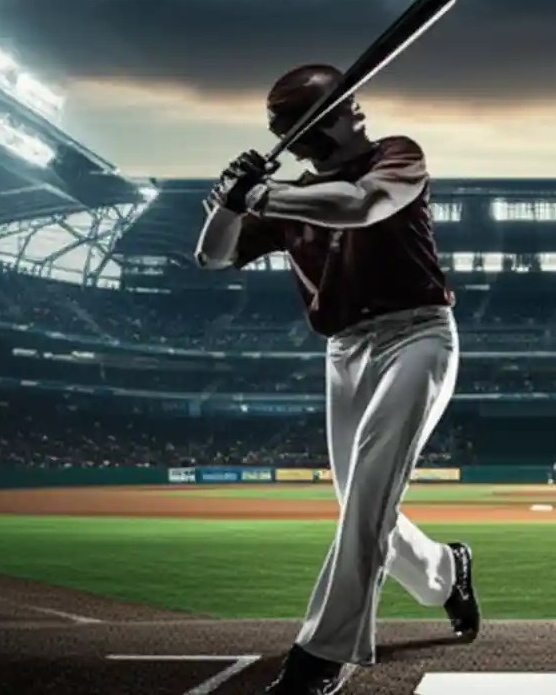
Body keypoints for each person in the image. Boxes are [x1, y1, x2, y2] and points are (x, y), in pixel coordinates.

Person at [194, 63, 480, 695]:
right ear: (316, 129)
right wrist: (227, 201)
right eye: (343, 103)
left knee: (369, 497)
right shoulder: (289, 197)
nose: (359, 107)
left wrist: (261, 196)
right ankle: (444, 571)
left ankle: (320, 656)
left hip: (418, 335)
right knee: (363, 508)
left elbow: (362, 205)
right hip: (344, 352)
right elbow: (212, 255)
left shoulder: (396, 156)